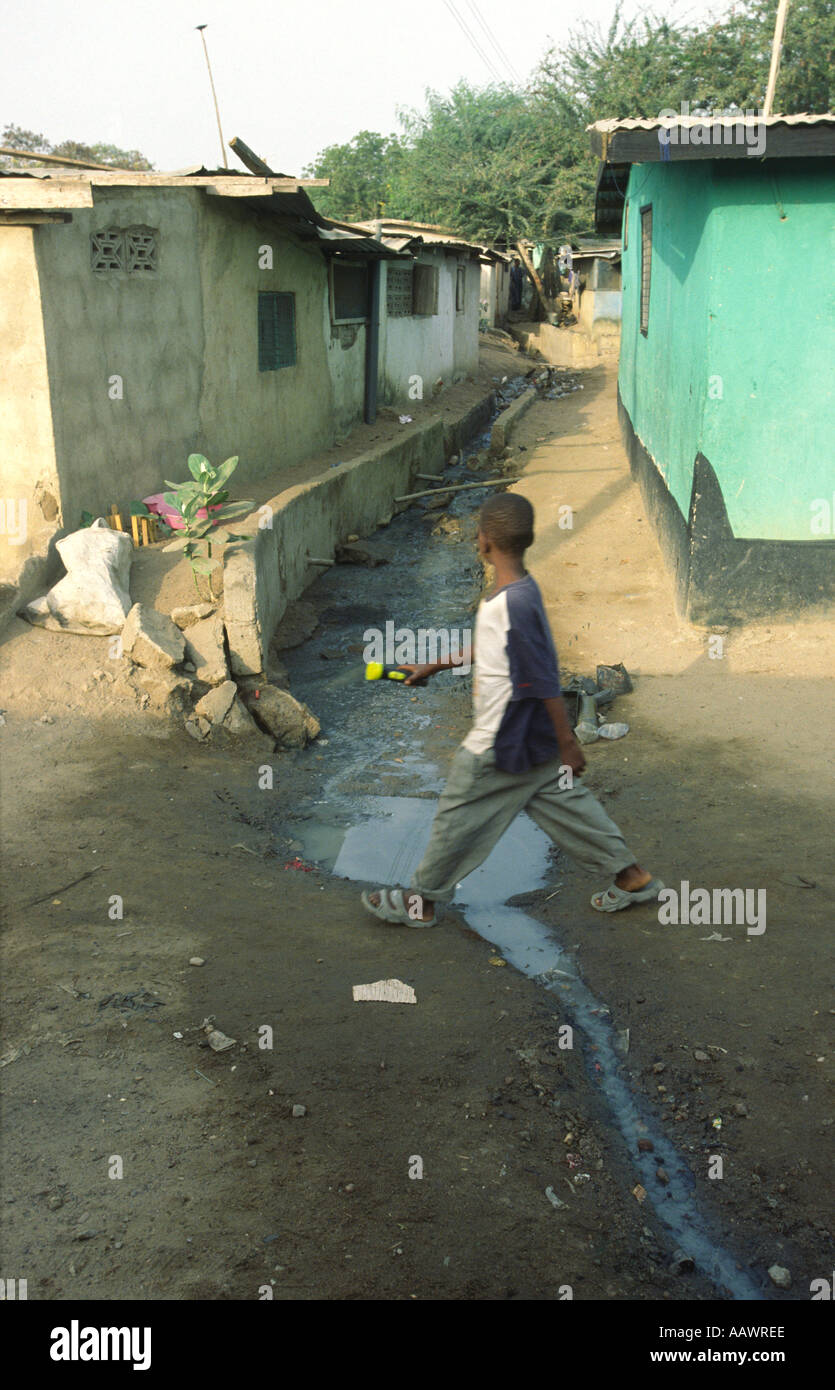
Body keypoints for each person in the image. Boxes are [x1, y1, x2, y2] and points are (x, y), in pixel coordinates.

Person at [361, 493, 663, 928]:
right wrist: (437, 663)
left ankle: (420, 902)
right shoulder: (521, 590)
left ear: (483, 542)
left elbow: (541, 676)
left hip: (503, 739)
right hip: (533, 738)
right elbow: (496, 647)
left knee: (458, 815)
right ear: (529, 539)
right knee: (568, 807)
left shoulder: (511, 603)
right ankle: (632, 876)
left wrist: (568, 741)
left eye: (479, 531)